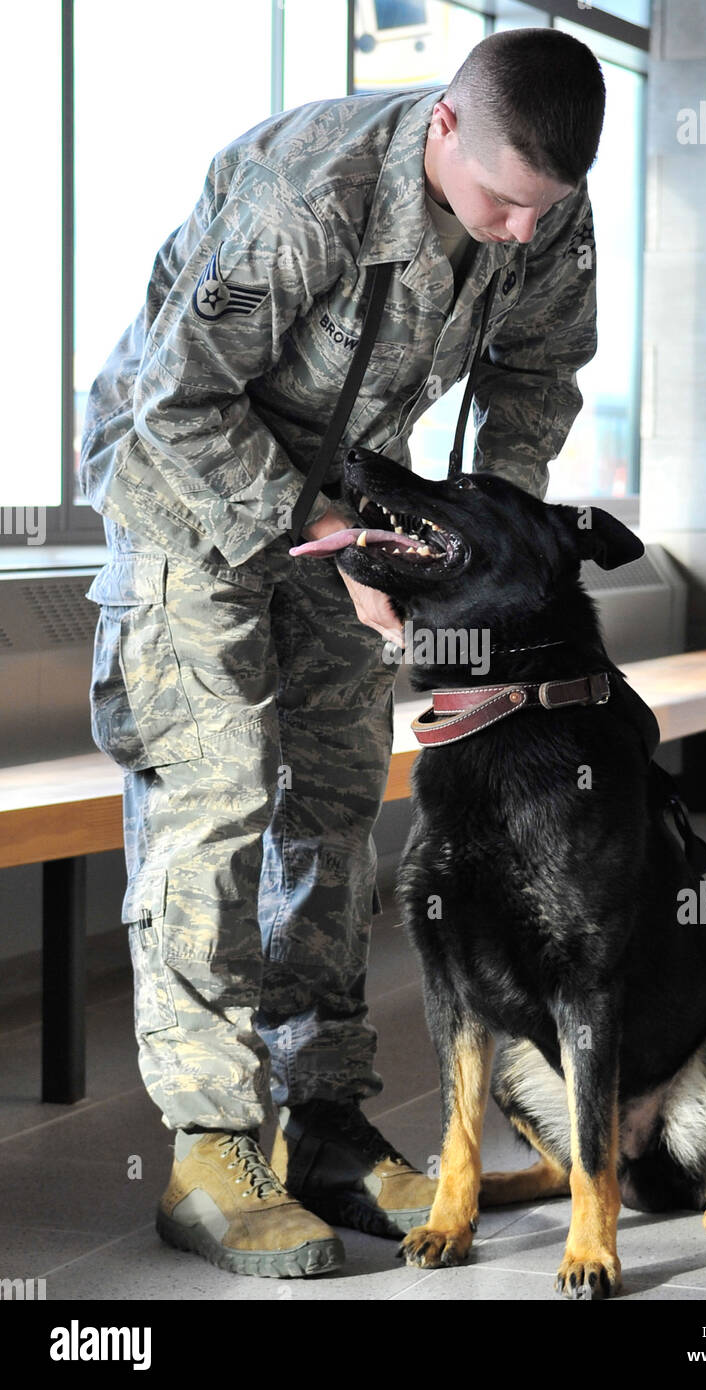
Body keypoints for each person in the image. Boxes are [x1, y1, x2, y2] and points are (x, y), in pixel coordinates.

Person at [80, 26, 605, 1279]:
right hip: (188, 502)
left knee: (325, 804)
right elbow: (175, 404)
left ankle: (319, 1119)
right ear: (441, 129)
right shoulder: (305, 189)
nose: (520, 234)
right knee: (213, 802)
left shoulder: (543, 206)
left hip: (354, 511)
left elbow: (533, 385)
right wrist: (330, 530)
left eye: (544, 209)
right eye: (500, 203)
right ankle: (212, 1147)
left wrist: (443, 552)